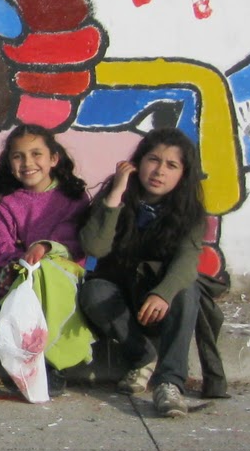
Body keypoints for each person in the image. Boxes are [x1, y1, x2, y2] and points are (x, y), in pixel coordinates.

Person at [77, 127, 206, 420]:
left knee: (188, 289)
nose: (159, 171)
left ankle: (169, 384)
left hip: (160, 301)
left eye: (171, 165)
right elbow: (94, 246)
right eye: (153, 160)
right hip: (121, 295)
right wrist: (117, 193)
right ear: (138, 162)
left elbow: (187, 261)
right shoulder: (116, 195)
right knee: (92, 292)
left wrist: (163, 293)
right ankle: (142, 356)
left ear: (183, 174)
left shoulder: (190, 212)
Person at [0, 124, 95, 389]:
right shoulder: (4, 202)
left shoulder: (72, 199)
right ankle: (31, 366)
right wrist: (23, 260)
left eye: (36, 154)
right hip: (15, 286)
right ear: (9, 162)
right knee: (0, 318)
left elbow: (71, 244)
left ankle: (51, 364)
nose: (27, 162)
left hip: (58, 289)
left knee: (47, 270)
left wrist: (43, 248)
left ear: (54, 158)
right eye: (18, 156)